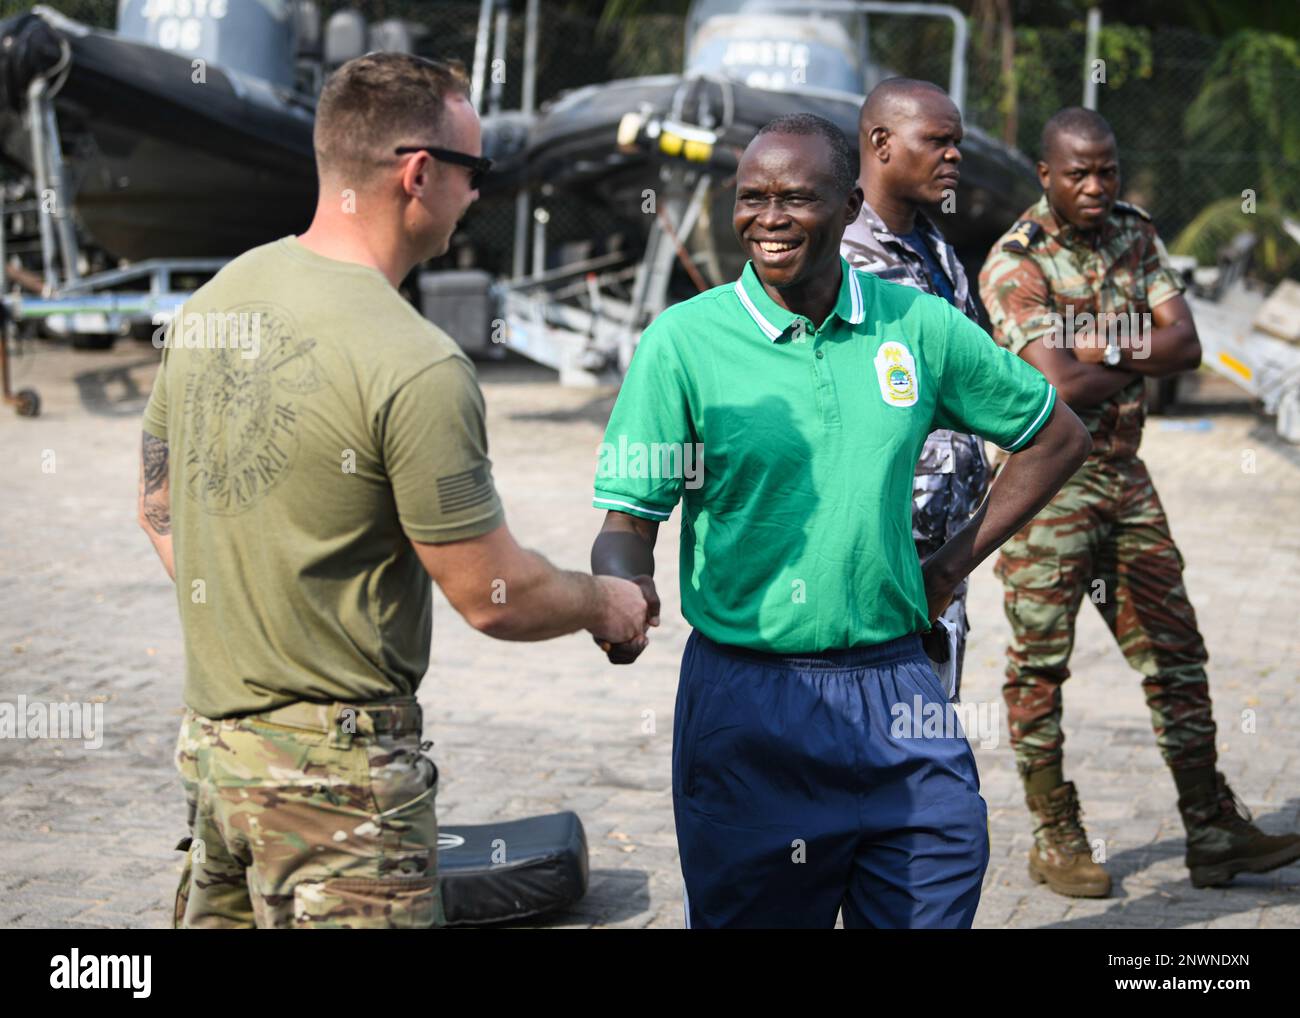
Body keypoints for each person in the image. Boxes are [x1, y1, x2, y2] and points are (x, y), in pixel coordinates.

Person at [137, 53, 649, 929]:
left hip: (215, 756)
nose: (477, 194)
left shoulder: (219, 299)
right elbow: (493, 595)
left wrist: (253, 610)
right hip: (340, 794)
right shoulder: (415, 363)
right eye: (473, 172)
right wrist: (608, 602)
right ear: (418, 174)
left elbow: (157, 499)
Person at [589, 113, 1091, 928]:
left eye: (795, 197)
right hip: (751, 700)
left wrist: (946, 568)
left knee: (938, 878)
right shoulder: (682, 343)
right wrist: (622, 586)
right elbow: (629, 519)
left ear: (851, 203)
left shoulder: (916, 325)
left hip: (899, 686)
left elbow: (1057, 435)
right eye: (752, 198)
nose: (769, 217)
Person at [979, 106, 1300, 898]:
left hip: (1125, 472)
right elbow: (1057, 385)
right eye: (1078, 174)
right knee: (1041, 665)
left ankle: (1213, 827)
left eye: (1107, 171)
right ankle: (1056, 836)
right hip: (1044, 484)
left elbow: (1186, 346)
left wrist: (1095, 347)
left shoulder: (1135, 232)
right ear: (1045, 175)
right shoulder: (1014, 263)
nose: (1095, 187)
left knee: (1176, 651)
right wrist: (1131, 349)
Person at [842, 77, 988, 698]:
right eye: (936, 141)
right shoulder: (838, 255)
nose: (953, 155)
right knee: (865, 727)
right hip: (875, 547)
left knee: (929, 717)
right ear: (881, 142)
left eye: (956, 143)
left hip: (943, 547)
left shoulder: (938, 251)